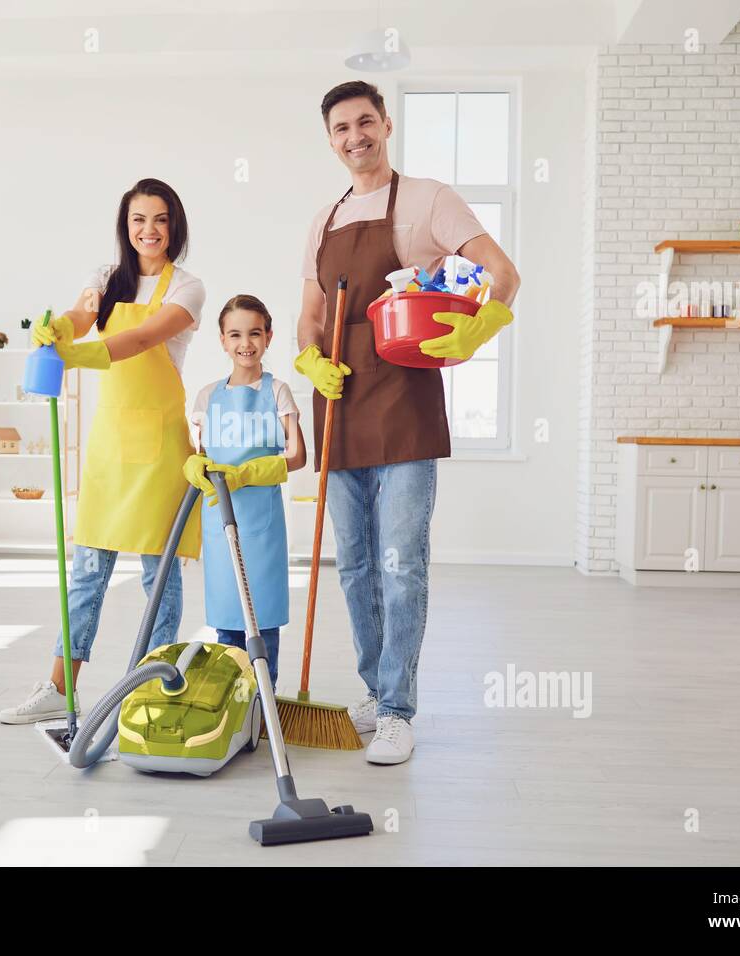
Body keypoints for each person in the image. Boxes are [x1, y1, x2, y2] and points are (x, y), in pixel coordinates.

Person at [295, 81, 521, 764]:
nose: (355, 136)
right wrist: (309, 359)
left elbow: (501, 272)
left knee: (400, 564)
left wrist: (476, 333)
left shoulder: (427, 198)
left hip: (403, 398)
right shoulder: (324, 218)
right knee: (355, 567)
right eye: (341, 127)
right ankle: (374, 690)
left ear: (386, 125)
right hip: (338, 404)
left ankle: (397, 709)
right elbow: (309, 312)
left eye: (366, 121)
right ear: (329, 138)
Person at [0, 178, 205, 725]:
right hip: (111, 443)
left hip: (160, 446)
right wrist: (54, 329)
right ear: (125, 225)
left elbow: (140, 340)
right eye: (139, 219)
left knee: (157, 576)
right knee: (88, 571)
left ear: (174, 226)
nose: (149, 230)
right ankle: (58, 691)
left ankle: (156, 689)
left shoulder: (187, 288)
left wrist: (73, 356)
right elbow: (80, 317)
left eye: (160, 219)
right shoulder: (105, 280)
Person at [184, 295, 306, 684]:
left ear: (268, 336)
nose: (245, 343)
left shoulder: (277, 391)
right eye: (235, 334)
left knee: (263, 614)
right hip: (219, 516)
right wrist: (195, 464)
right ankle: (231, 703)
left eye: (254, 333)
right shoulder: (207, 396)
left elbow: (298, 455)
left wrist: (252, 471)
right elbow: (202, 454)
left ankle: (263, 700)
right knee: (227, 617)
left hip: (261, 520)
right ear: (222, 340)